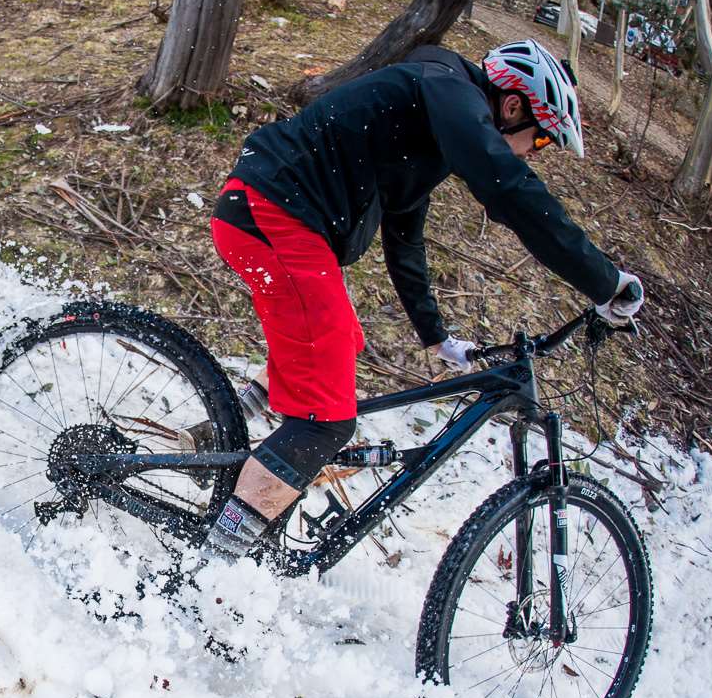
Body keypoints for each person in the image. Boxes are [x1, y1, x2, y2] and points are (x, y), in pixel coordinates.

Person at [198, 39, 645, 561]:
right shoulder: (447, 88)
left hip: (277, 215)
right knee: (327, 420)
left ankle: (216, 429)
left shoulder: (430, 113)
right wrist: (604, 281)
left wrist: (437, 338)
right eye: (540, 141)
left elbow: (405, 232)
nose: (531, 153)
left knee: (340, 343)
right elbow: (510, 190)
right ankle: (212, 565)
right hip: (274, 214)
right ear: (514, 105)